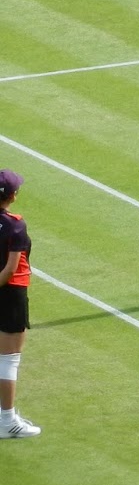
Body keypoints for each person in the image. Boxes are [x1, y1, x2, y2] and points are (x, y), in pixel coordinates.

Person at [0, 169, 38, 440]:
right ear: (12, 196)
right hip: (11, 295)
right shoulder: (15, 225)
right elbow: (11, 269)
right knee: (9, 360)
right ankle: (7, 420)